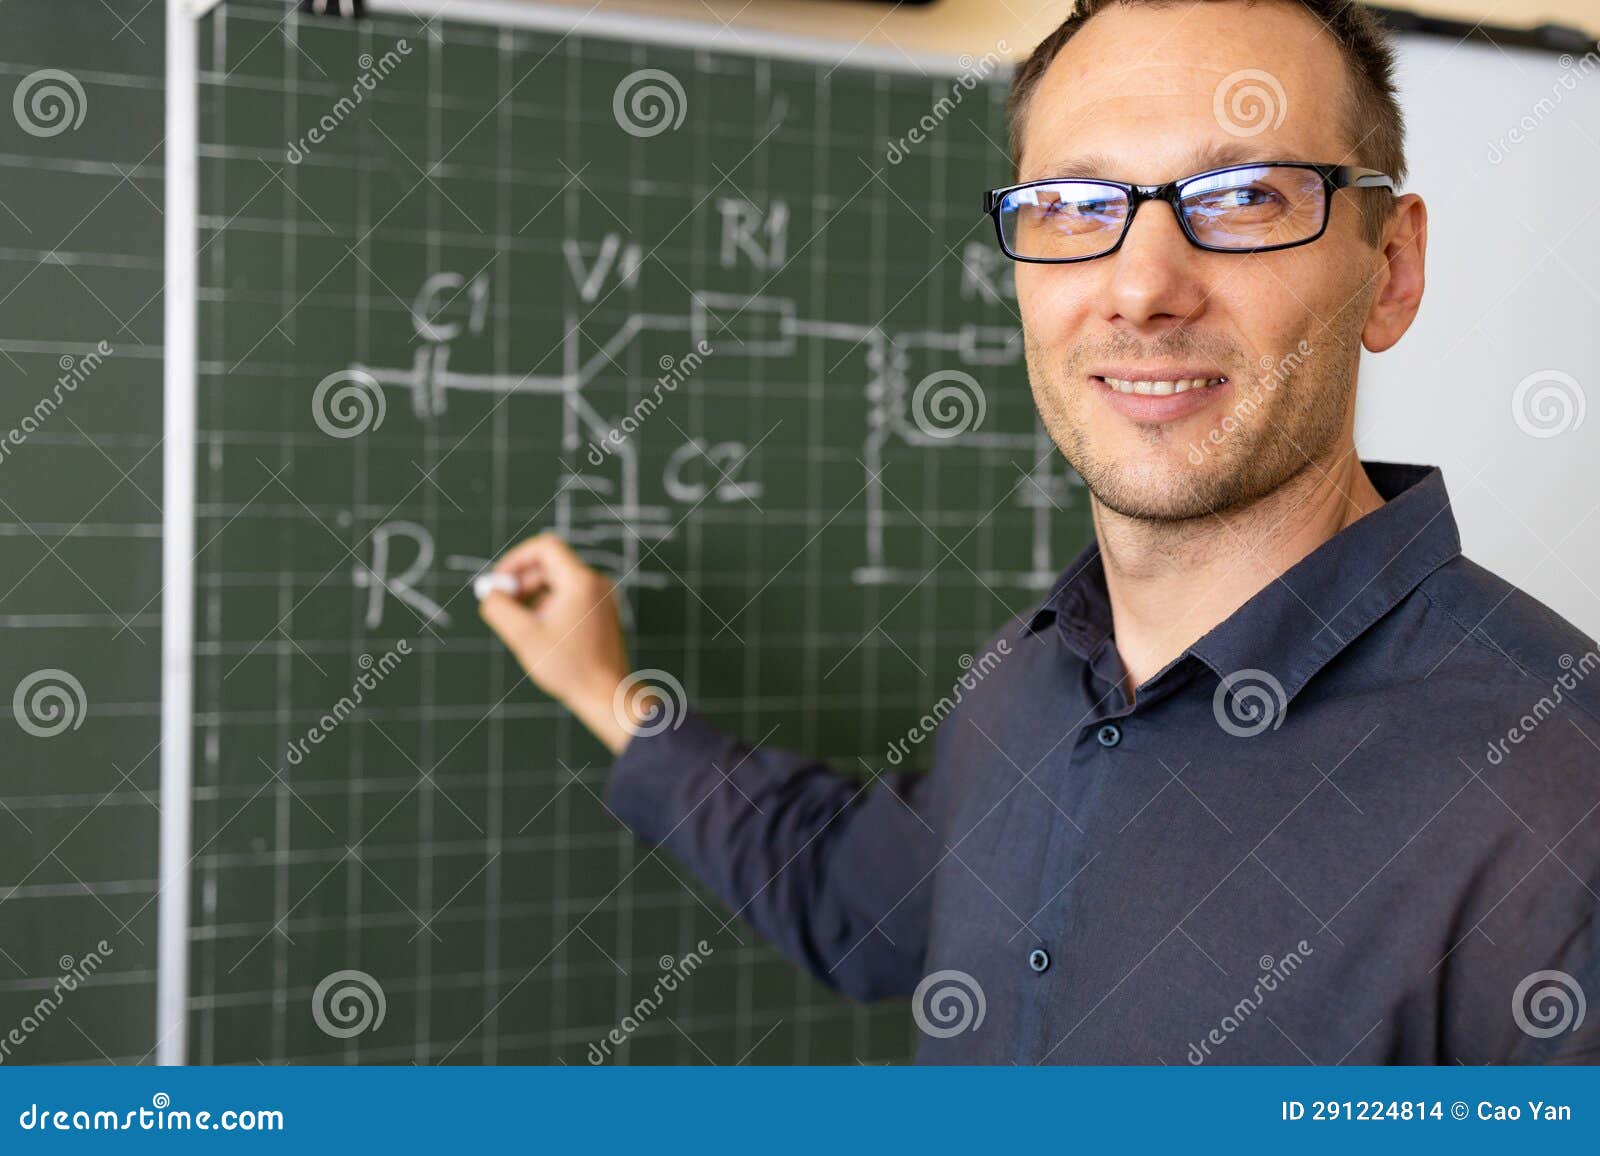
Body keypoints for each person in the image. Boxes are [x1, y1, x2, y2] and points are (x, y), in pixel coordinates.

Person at [481, 0, 1599, 1064]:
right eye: (1074, 204)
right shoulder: (1028, 688)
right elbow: (843, 893)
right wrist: (608, 695)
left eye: (1245, 194)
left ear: (1389, 273)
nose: (1142, 287)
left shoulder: (1558, 786)